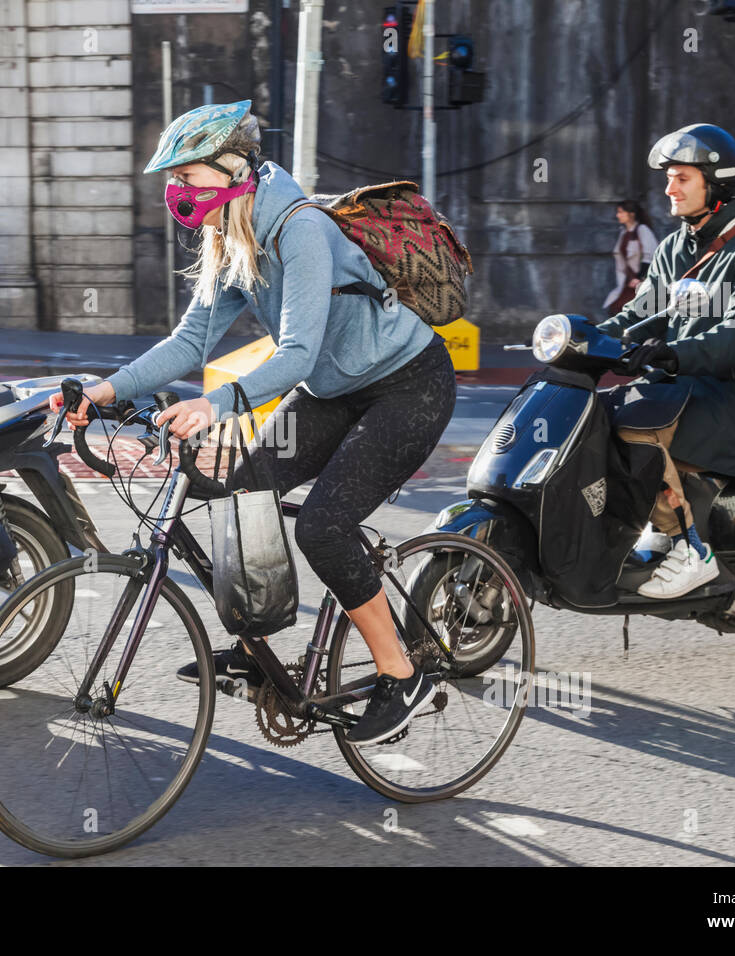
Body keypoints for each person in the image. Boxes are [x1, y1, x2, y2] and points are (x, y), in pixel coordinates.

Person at [48, 100, 456, 746]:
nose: (176, 189)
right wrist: (102, 392)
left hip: (408, 386)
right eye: (173, 178)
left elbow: (295, 352)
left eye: (188, 174)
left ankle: (401, 673)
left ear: (231, 169)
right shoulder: (230, 236)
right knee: (242, 487)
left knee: (324, 525)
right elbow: (188, 345)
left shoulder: (297, 230)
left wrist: (216, 405)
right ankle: (256, 647)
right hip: (335, 389)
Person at [597, 123, 735, 599]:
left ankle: (692, 548)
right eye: (669, 177)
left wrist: (674, 353)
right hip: (682, 388)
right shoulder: (674, 248)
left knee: (637, 428)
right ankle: (656, 523)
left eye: (681, 177)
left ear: (716, 184)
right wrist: (582, 342)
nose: (669, 188)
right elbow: (641, 316)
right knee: (599, 415)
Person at [602, 199, 658, 315]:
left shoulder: (642, 230)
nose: (618, 215)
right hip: (627, 281)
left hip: (641, 282)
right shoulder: (623, 233)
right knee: (617, 309)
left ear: (631, 213)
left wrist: (639, 277)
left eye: (621, 212)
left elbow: (651, 255)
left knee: (629, 311)